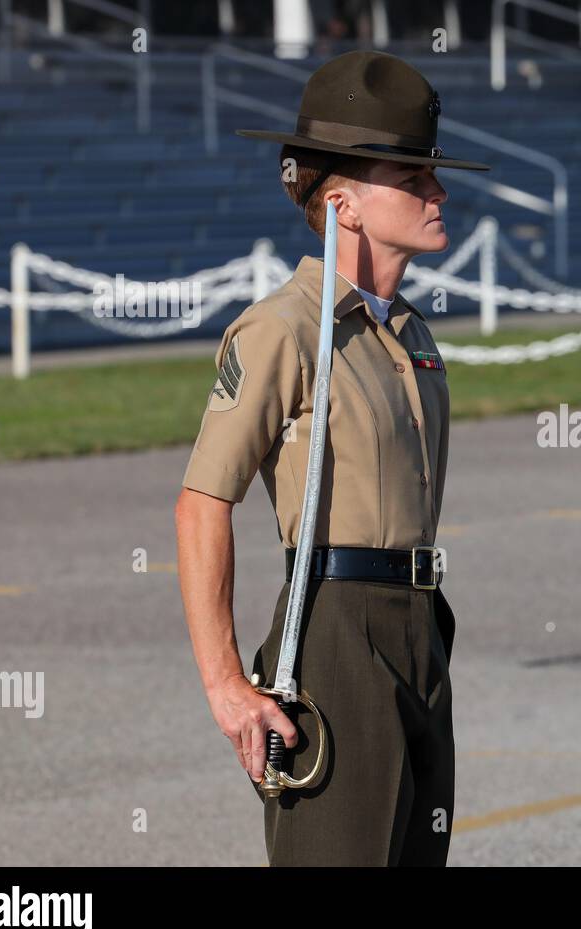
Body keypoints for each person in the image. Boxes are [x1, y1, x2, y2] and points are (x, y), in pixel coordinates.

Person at [174, 50, 491, 866]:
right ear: (344, 203)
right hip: (334, 627)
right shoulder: (282, 329)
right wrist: (225, 686)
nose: (438, 192)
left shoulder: (407, 333)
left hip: (421, 625)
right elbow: (202, 502)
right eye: (413, 177)